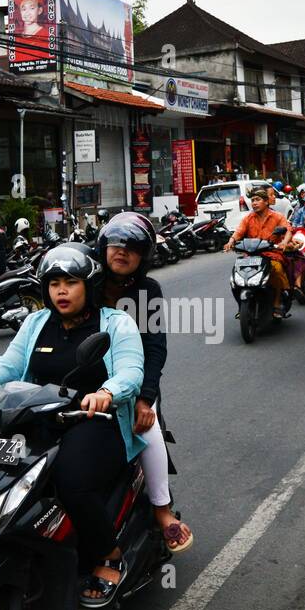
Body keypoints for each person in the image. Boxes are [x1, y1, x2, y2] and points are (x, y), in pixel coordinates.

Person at [0, 244, 146, 607]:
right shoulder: (35, 323)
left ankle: (108, 555)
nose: (61, 291)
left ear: (89, 285)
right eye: (54, 283)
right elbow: (7, 366)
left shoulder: (116, 323)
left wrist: (106, 392)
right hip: (36, 416)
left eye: (70, 282)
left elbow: (132, 372)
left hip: (92, 421)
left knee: (71, 480)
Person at [96, 213, 192, 554]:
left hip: (135, 383)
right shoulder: (86, 282)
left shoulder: (146, 290)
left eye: (132, 248)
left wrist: (145, 399)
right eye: (116, 244)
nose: (122, 252)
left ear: (143, 256)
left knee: (145, 429)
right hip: (86, 379)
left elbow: (155, 347)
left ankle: (162, 511)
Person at [224, 187, 295, 319]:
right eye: (252, 200)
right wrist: (231, 241)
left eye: (258, 200)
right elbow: (239, 232)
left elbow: (288, 230)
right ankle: (242, 306)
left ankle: (277, 302)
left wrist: (284, 242)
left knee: (277, 270)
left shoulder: (277, 216)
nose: (254, 203)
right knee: (235, 278)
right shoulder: (248, 218)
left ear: (266, 202)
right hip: (251, 255)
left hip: (272, 253)